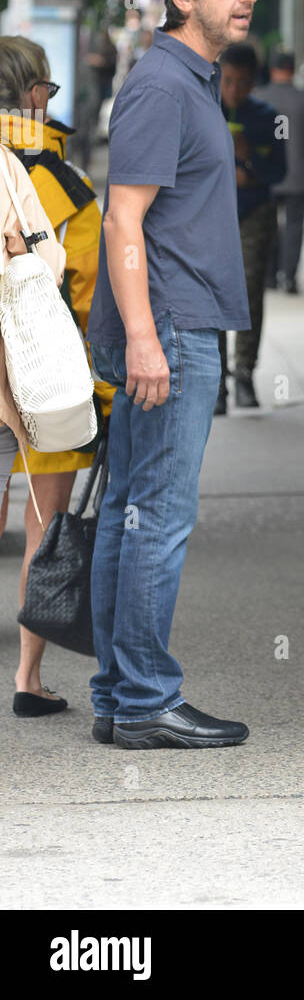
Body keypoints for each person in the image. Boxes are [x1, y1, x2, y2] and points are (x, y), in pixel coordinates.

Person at [86, 0, 266, 751]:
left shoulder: (190, 80)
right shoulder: (163, 84)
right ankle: (146, 697)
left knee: (131, 510)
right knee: (156, 515)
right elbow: (124, 218)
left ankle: (121, 695)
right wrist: (146, 338)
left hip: (177, 323)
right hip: (171, 328)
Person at [0, 37, 115, 717]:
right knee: (47, 522)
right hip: (41, 369)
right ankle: (27, 679)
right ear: (36, 94)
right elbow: (89, 287)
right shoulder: (59, 184)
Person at [0, 139, 65, 715]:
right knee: (42, 519)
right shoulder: (14, 165)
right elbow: (54, 262)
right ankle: (27, 679)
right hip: (25, 375)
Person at [215, 42, 285, 413]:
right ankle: (217, 385)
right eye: (226, 81)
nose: (233, 90)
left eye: (242, 82)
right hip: (214, 214)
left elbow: (280, 172)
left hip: (254, 213)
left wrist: (249, 158)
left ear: (253, 81)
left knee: (247, 295)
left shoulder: (269, 118)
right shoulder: (207, 111)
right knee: (212, 296)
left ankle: (244, 375)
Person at [260, 52, 304, 295]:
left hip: (266, 175)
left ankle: (270, 276)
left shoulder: (258, 97)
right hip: (298, 172)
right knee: (294, 226)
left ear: (272, 70)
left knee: (268, 226)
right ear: (291, 70)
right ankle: (290, 277)